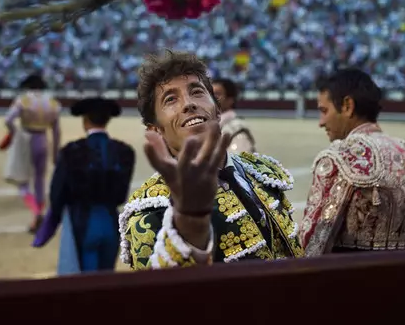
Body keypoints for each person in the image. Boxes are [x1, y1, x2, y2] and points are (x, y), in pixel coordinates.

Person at [120, 50, 303, 270]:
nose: (188, 104)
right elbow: (160, 298)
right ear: (156, 130)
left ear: (217, 109)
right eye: (171, 99)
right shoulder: (148, 211)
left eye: (196, 92)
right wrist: (189, 223)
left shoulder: (261, 172)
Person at [300, 68, 405, 256]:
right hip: (401, 279)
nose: (321, 122)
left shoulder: (341, 157)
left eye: (324, 110)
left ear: (347, 106)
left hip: (350, 279)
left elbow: (314, 244)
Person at [32, 97, 135, 275]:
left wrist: (49, 227)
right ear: (108, 120)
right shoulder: (124, 151)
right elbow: (121, 195)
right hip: (111, 223)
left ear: (85, 121)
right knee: (106, 279)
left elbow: (57, 196)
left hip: (83, 222)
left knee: (87, 284)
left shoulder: (72, 151)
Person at [2, 73, 61, 233]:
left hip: (26, 139)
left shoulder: (24, 100)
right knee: (40, 179)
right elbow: (56, 132)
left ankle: (36, 213)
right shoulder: (52, 102)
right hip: (43, 140)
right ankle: (40, 211)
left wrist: (13, 132)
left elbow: (8, 120)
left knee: (22, 180)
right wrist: (55, 154)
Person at [212, 78, 256, 153]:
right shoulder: (210, 124)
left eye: (216, 94)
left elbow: (238, 161)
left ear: (230, 99)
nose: (210, 98)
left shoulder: (237, 129)